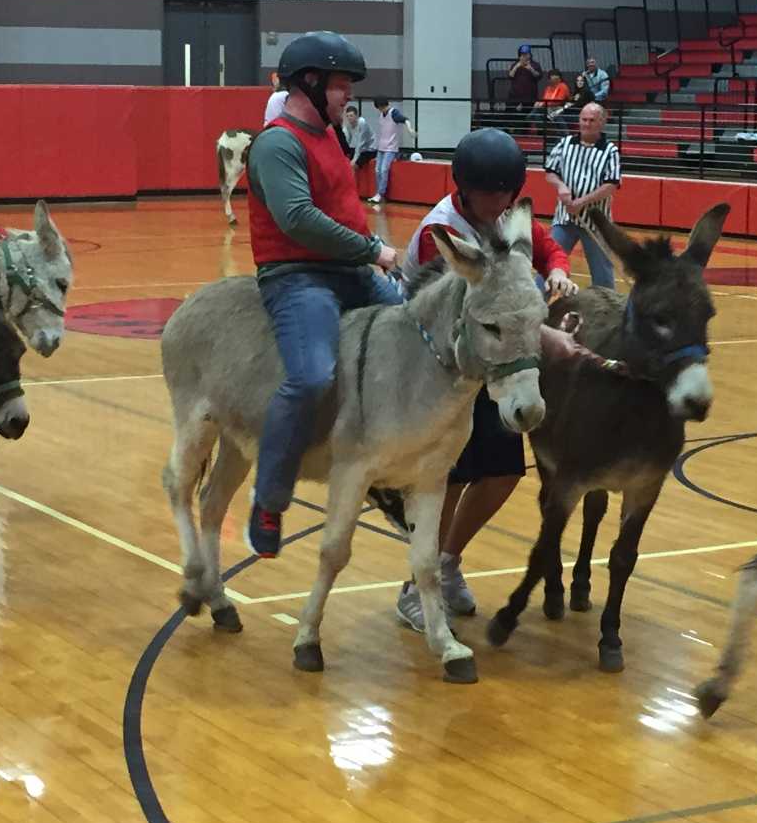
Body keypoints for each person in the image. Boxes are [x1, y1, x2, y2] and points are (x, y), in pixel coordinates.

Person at [392, 127, 580, 631]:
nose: (502, 206)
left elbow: (545, 245)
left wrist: (558, 269)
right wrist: (546, 338)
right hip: (438, 364)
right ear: (464, 189)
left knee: (501, 472)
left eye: (508, 195)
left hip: (489, 364)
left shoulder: (506, 217)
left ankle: (447, 562)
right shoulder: (441, 233)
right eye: (492, 196)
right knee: (447, 477)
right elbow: (475, 313)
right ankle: (416, 587)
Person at [242, 31, 405, 559]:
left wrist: (363, 256)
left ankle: (388, 468)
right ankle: (269, 498)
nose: (347, 97)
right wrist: (371, 249)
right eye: (340, 87)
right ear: (309, 84)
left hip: (348, 270)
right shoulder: (276, 143)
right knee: (312, 376)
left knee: (420, 338)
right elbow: (297, 219)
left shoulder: (329, 137)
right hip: (298, 276)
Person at [545, 100, 622, 287]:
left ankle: (606, 311)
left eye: (592, 120)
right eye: (583, 119)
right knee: (548, 265)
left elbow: (611, 184)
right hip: (565, 219)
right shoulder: (566, 143)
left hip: (596, 222)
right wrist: (561, 186)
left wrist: (582, 201)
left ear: (602, 123)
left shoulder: (610, 151)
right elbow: (550, 171)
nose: (586, 124)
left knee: (602, 274)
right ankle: (535, 307)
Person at [367, 94, 408, 205]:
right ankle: (378, 193)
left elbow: (405, 120)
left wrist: (410, 129)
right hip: (381, 146)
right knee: (377, 170)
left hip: (391, 148)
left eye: (382, 107)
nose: (382, 110)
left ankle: (380, 193)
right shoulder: (381, 115)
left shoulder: (394, 113)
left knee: (384, 169)